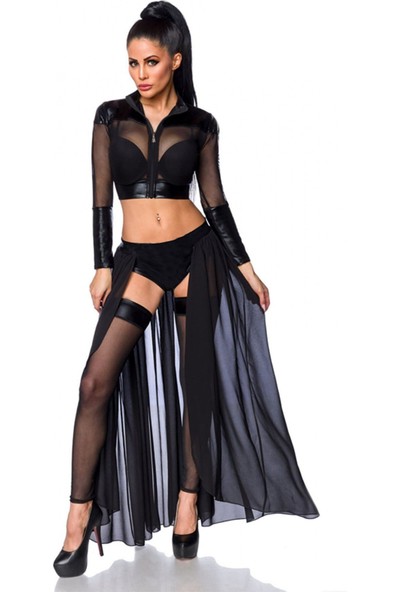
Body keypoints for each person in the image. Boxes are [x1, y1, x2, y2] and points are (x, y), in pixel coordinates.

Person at [53, 1, 319, 578]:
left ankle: (187, 504)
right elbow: (100, 200)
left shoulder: (200, 125)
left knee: (197, 386)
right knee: (95, 382)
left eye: (151, 62)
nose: (140, 73)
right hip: (139, 260)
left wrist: (246, 268)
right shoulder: (109, 117)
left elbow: (214, 202)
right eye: (132, 63)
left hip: (197, 255)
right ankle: (78, 518)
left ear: (175, 60)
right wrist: (102, 265)